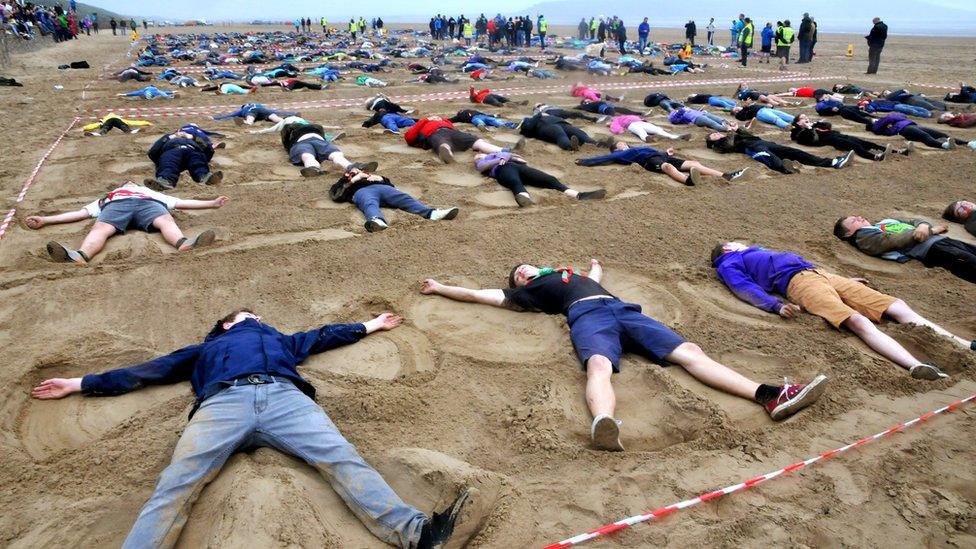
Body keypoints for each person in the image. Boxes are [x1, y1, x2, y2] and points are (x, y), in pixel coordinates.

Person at [30, 309, 480, 549]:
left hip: (285, 398)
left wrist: (371, 325)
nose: (258, 317)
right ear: (227, 325)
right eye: (249, 314)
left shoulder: (279, 339)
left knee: (342, 457)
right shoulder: (207, 347)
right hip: (222, 403)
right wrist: (80, 383)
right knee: (176, 483)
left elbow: (323, 336)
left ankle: (415, 534)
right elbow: (152, 369)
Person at [420, 262, 827, 451]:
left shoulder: (568, 275)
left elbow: (591, 280)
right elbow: (479, 295)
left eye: (527, 268)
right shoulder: (526, 294)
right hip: (587, 316)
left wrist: (594, 269)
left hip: (626, 310)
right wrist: (440, 286)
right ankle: (604, 424)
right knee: (598, 365)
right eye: (518, 275)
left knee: (690, 351)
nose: (524, 274)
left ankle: (770, 395)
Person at [712, 242, 969, 378]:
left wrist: (841, 281)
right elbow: (742, 286)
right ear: (727, 247)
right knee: (854, 320)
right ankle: (915, 365)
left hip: (821, 274)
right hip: (796, 283)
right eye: (736, 241)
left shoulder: (756, 252)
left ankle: (961, 343)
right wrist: (775, 305)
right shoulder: (729, 261)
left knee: (896, 305)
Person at [26, 180, 224, 265]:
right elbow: (80, 213)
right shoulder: (109, 196)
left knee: (165, 219)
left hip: (148, 205)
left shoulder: (148, 191)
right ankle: (80, 256)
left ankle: (183, 243)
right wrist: (45, 220)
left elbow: (179, 203)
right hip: (117, 206)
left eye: (132, 182)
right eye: (126, 182)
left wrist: (212, 204)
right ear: (121, 186)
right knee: (100, 227)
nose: (129, 182)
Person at [834, 215, 976, 284]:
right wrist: (931, 230)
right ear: (848, 233)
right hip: (932, 250)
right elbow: (893, 241)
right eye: (854, 221)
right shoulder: (863, 236)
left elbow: (913, 221)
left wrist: (924, 226)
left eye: (857, 216)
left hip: (944, 241)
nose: (859, 217)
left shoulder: (883, 222)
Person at [330, 167, 458, 232]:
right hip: (361, 192)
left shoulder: (373, 177)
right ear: (347, 175)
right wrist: (353, 180)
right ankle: (377, 221)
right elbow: (336, 195)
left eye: (359, 169)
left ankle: (432, 213)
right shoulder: (345, 182)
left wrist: (380, 178)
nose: (357, 171)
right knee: (369, 203)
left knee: (404, 198)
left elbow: (391, 185)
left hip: (383, 188)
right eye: (352, 171)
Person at [577, 140, 746, 185]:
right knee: (667, 167)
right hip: (650, 161)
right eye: (620, 145)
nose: (623, 144)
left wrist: (667, 152)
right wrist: (585, 161)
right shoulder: (622, 154)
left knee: (694, 163)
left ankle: (726, 175)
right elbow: (604, 158)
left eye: (623, 143)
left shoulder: (634, 147)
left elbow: (655, 151)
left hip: (660, 155)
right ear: (617, 149)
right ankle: (687, 181)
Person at [706, 122, 852, 174]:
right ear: (711, 141)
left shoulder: (732, 134)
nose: (716, 133)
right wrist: (732, 133)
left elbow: (749, 134)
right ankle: (784, 168)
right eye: (713, 135)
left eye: (716, 132)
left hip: (762, 142)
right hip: (750, 147)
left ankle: (832, 162)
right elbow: (728, 146)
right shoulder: (718, 144)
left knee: (796, 152)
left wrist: (739, 129)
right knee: (768, 157)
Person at [474, 152, 604, 206]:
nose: (478, 157)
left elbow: (512, 155)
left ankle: (578, 195)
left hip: (518, 167)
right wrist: (501, 158)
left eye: (479, 155)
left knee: (550, 179)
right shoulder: (483, 162)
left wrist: (506, 157)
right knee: (514, 181)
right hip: (502, 170)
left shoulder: (496, 154)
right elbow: (482, 167)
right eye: (477, 157)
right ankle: (524, 198)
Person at [404, 115, 521, 164]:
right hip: (435, 134)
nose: (434, 117)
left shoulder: (444, 121)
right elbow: (409, 137)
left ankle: (505, 150)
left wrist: (442, 119)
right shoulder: (423, 124)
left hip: (452, 132)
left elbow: (451, 125)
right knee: (443, 143)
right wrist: (424, 120)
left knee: (476, 141)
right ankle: (447, 154)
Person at [282, 119, 378, 177]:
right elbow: (286, 143)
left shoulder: (291, 127)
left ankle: (351, 166)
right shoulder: (313, 126)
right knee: (309, 156)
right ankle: (313, 168)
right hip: (311, 142)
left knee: (335, 154)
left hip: (311, 142)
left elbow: (286, 143)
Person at [145, 125, 225, 190]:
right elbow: (152, 153)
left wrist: (192, 137)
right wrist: (170, 137)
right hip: (173, 150)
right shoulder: (168, 138)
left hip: (192, 150)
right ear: (177, 131)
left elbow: (209, 151)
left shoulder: (194, 139)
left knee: (197, 162)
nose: (183, 133)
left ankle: (205, 177)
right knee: (169, 163)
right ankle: (165, 181)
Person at [791, 114, 898, 160]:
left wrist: (816, 123)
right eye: (803, 118)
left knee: (863, 142)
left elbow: (828, 126)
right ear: (798, 123)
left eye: (806, 117)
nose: (806, 118)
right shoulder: (799, 133)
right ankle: (874, 157)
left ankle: (892, 151)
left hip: (836, 135)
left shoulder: (813, 124)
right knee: (855, 146)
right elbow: (812, 141)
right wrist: (809, 129)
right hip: (832, 140)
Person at [865, 113, 969, 150]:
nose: (877, 119)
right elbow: (892, 117)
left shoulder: (883, 123)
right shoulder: (876, 127)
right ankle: (943, 145)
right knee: (925, 137)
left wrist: (891, 119)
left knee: (940, 134)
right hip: (904, 129)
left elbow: (902, 116)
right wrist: (889, 119)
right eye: (874, 120)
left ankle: (967, 143)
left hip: (911, 126)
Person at [518, 113, 610, 151]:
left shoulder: (548, 113)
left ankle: (596, 143)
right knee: (560, 135)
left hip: (562, 123)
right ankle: (570, 146)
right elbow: (527, 128)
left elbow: (566, 113)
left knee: (579, 133)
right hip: (546, 127)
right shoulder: (529, 120)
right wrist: (538, 115)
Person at [608, 114, 689, 142]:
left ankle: (675, 137)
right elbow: (615, 127)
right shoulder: (617, 119)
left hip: (635, 124)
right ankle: (646, 138)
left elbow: (614, 127)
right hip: (634, 124)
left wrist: (620, 130)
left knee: (656, 130)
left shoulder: (617, 119)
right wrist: (620, 130)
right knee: (654, 130)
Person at [213, 103, 299, 126]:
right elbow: (276, 111)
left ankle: (247, 123)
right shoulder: (258, 104)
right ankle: (287, 121)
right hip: (264, 111)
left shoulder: (243, 109)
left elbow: (230, 115)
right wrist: (292, 113)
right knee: (274, 116)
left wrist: (216, 118)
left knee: (250, 118)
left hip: (251, 112)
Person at [82, 114, 152, 136]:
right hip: (118, 121)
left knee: (102, 132)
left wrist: (84, 128)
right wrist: (146, 123)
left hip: (108, 122)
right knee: (128, 131)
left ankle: (97, 133)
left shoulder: (104, 120)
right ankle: (135, 131)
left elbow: (94, 125)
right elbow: (132, 122)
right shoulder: (119, 118)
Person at [449, 109, 518, 131]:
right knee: (477, 121)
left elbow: (487, 115)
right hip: (475, 117)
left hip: (483, 116)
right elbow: (451, 120)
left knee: (495, 121)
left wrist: (495, 115)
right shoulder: (459, 116)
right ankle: (482, 126)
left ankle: (511, 125)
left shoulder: (472, 110)